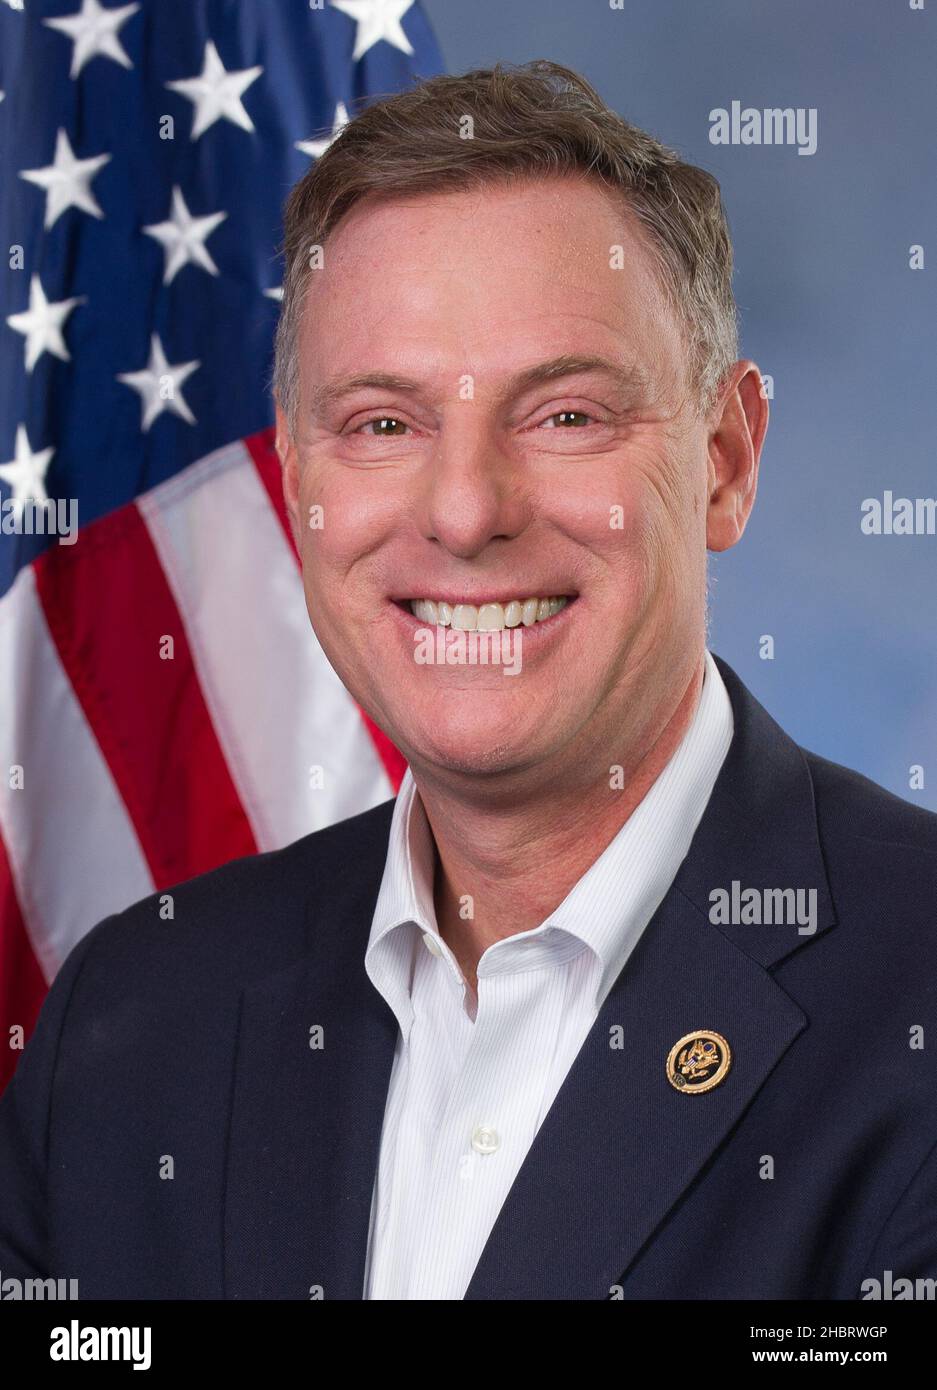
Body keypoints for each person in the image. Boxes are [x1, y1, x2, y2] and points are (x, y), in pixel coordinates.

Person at [1, 60, 935, 1301]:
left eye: (564, 415)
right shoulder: (127, 1023)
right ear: (296, 479)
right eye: (382, 424)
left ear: (724, 460)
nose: (462, 511)